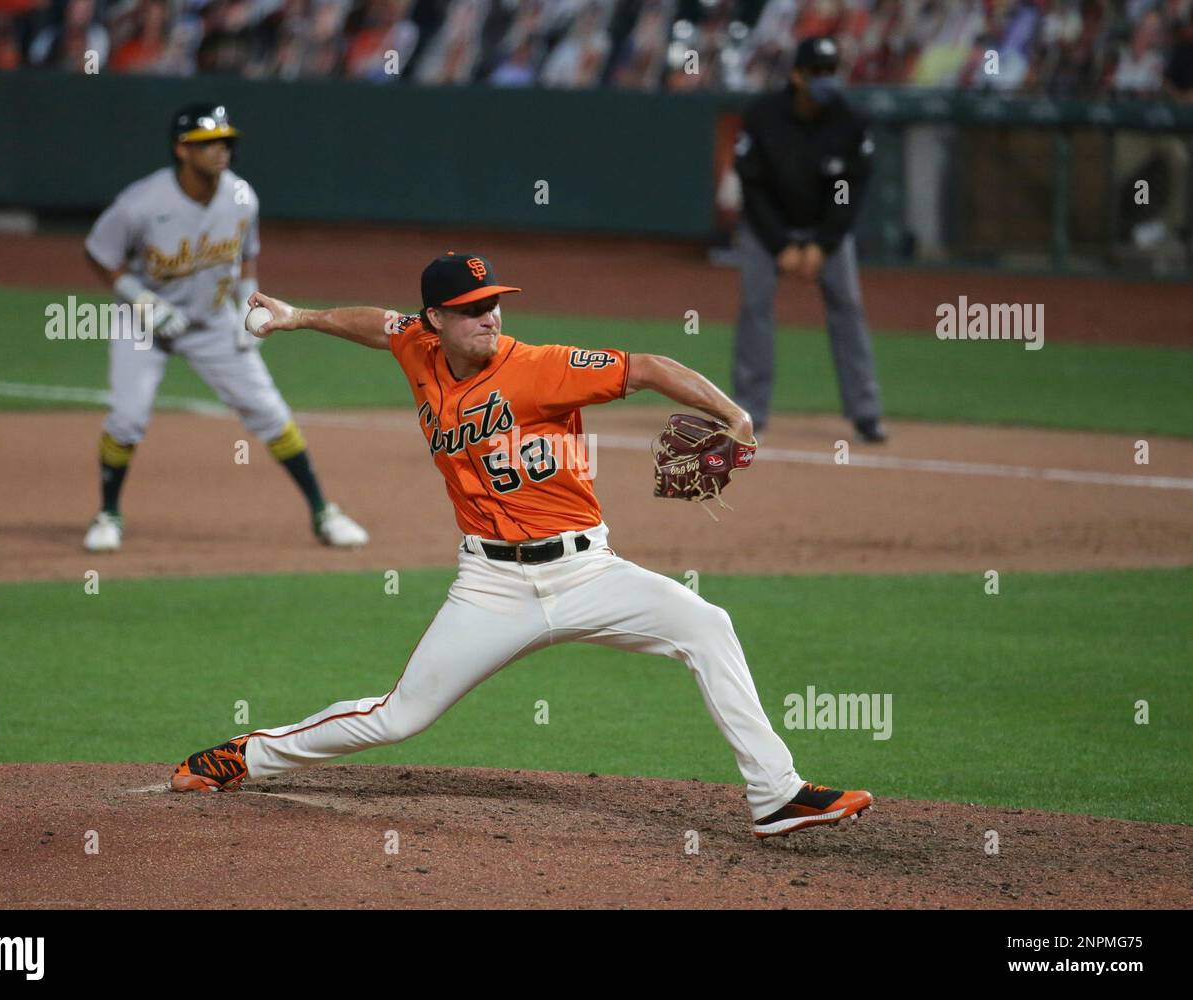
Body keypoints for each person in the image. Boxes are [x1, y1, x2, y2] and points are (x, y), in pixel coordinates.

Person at [168, 252, 875, 841]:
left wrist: (732, 413)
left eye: (494, 304)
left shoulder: (541, 367)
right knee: (399, 716)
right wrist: (299, 317)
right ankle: (248, 755)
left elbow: (650, 367)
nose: (489, 317)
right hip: (490, 587)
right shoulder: (419, 345)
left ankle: (776, 795)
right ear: (436, 320)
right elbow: (379, 325)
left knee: (706, 626)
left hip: (588, 570)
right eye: (472, 308)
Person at [81, 103, 368, 552]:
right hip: (144, 323)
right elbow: (99, 253)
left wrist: (247, 306)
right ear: (181, 149)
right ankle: (107, 515)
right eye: (207, 143)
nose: (221, 150)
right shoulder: (141, 203)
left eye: (225, 141)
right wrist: (141, 300)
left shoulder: (241, 196)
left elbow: (246, 252)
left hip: (213, 321)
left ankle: (323, 512)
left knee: (270, 412)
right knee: (127, 417)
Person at [732, 35, 887, 444]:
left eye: (831, 72)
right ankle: (750, 411)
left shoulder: (850, 121)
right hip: (767, 228)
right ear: (797, 75)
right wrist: (781, 244)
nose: (826, 80)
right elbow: (752, 187)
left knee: (848, 307)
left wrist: (823, 243)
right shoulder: (764, 116)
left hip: (826, 229)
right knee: (755, 307)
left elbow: (851, 190)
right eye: (817, 72)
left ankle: (866, 412)